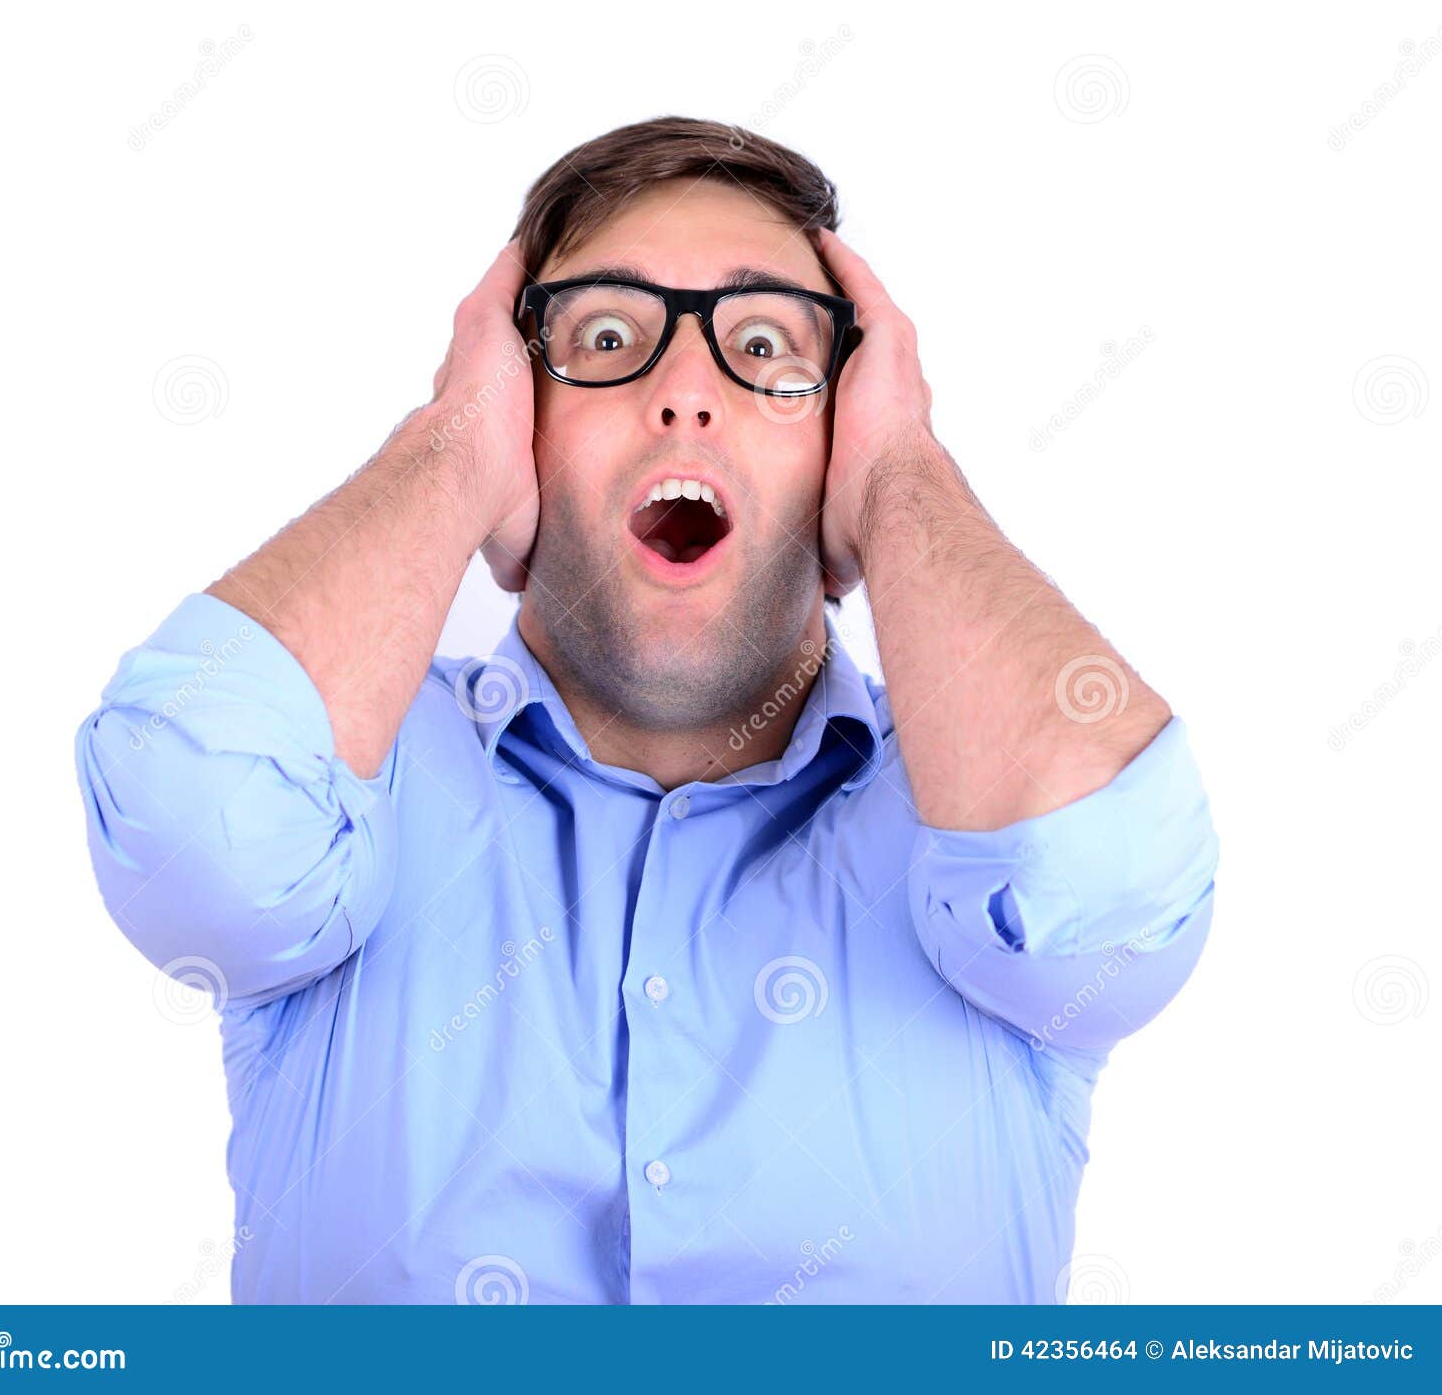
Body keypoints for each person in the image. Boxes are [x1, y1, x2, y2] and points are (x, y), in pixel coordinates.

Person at [74, 115, 1218, 1304]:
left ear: (838, 441)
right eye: (607, 338)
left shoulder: (956, 823)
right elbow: (187, 830)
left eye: (764, 345)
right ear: (522, 422)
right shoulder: (354, 778)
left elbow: (1110, 903)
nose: (683, 395)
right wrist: (452, 447)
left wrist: (900, 477)